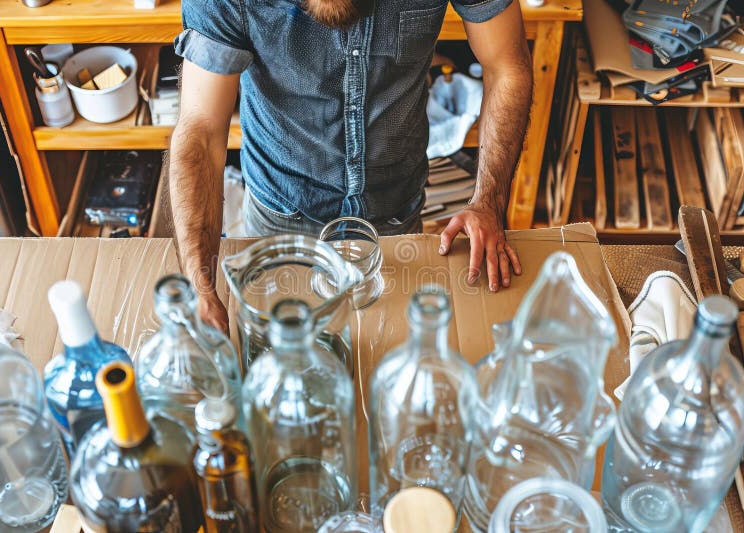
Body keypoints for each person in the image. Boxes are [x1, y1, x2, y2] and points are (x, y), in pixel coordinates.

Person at [168, 0, 533, 332]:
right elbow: (200, 131)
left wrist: (488, 200)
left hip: (395, 214)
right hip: (280, 214)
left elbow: (505, 66)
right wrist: (200, 286)